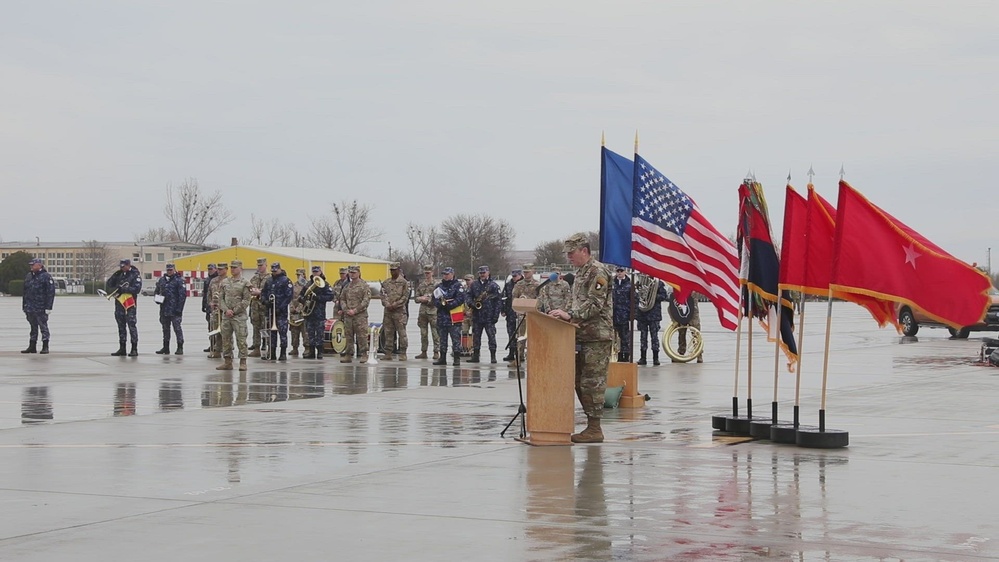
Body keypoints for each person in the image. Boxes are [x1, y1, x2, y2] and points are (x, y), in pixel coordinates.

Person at [548, 233, 613, 443]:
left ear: (584, 251)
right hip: (581, 334)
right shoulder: (581, 272)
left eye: (571, 253)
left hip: (597, 336)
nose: (568, 257)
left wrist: (571, 315)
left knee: (592, 383)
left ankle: (595, 428)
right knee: (578, 382)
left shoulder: (597, 271)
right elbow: (577, 303)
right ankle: (591, 424)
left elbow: (595, 303)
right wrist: (562, 313)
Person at [217, 260, 252, 371]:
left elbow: (246, 300)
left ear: (240, 269)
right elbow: (220, 299)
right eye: (231, 267)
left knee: (241, 339)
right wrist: (226, 310)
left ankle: (243, 361)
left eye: (235, 267)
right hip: (226, 316)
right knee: (226, 339)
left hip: (239, 316)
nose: (232, 269)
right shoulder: (225, 282)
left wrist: (234, 311)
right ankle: (227, 361)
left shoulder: (245, 283)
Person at [106, 258, 143, 357]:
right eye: (121, 266)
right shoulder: (119, 274)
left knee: (131, 326)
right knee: (121, 326)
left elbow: (137, 289)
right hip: (119, 304)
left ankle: (134, 348)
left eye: (124, 266)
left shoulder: (135, 275)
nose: (122, 268)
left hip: (130, 304)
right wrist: (115, 276)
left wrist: (124, 289)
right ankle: (122, 348)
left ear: (128, 265)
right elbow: (109, 284)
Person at [465, 264, 501, 363]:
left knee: (491, 336)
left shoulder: (493, 285)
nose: (482, 275)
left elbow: (498, 301)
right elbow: (468, 295)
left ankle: (493, 356)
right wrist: (471, 304)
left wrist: (496, 315)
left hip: (489, 316)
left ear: (488, 273)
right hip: (477, 315)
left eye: (484, 273)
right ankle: (475, 356)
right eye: (480, 273)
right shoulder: (474, 284)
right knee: (476, 337)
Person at [260, 262, 294, 361]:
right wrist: (265, 301)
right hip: (270, 311)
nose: (274, 272)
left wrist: (281, 307)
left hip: (281, 313)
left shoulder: (285, 280)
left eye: (276, 270)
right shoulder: (269, 280)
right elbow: (264, 292)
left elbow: (288, 296)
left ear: (279, 269)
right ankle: (272, 353)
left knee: (283, 333)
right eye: (273, 270)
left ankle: (283, 353)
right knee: (271, 334)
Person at [21, 258, 55, 354]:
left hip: (41, 307)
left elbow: (50, 293)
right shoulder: (29, 276)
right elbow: (25, 292)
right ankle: (32, 346)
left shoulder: (46, 277)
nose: (31, 266)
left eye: (33, 265)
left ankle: (45, 346)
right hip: (30, 307)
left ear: (40, 265)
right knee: (33, 327)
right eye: (31, 265)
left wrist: (49, 307)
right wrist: (24, 305)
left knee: (43, 327)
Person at [432, 266, 464, 366]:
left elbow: (461, 298)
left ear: (452, 274)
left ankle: (457, 358)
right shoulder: (439, 286)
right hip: (442, 317)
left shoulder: (458, 286)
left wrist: (450, 305)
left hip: (454, 317)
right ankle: (442, 358)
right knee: (442, 339)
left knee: (455, 339)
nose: (445, 276)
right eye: (444, 274)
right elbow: (434, 299)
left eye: (447, 274)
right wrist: (440, 304)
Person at [338, 264, 371, 363]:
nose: (352, 275)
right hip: (348, 315)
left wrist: (355, 310)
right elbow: (342, 298)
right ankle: (348, 354)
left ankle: (364, 354)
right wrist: (345, 309)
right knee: (349, 335)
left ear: (359, 273)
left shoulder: (364, 286)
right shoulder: (347, 286)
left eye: (354, 273)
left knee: (362, 336)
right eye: (350, 273)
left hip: (360, 316)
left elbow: (366, 301)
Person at [154, 263, 187, 355]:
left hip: (175, 309)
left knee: (177, 328)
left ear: (174, 270)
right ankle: (166, 347)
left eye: (171, 270)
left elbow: (182, 296)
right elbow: (157, 291)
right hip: (164, 309)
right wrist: (157, 300)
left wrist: (179, 309)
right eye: (168, 270)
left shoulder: (179, 280)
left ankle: (180, 346)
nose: (169, 271)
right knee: (165, 328)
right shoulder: (162, 280)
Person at [510, 264, 540, 364]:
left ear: (533, 271)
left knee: (534, 338)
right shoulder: (519, 285)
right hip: (522, 315)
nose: (526, 274)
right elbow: (514, 298)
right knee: (520, 337)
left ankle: (534, 358)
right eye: (525, 272)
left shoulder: (537, 285)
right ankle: (518, 358)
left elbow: (541, 299)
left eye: (528, 272)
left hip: (533, 315)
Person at [635, 274, 668, 366]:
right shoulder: (640, 283)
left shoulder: (658, 283)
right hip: (642, 314)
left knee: (654, 336)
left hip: (654, 314)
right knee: (643, 336)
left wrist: (652, 295)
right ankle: (643, 357)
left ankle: (655, 358)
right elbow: (636, 296)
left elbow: (664, 296)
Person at [380, 262, 410, 360]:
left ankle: (403, 352)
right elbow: (383, 295)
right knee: (388, 332)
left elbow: (405, 296)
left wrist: (396, 304)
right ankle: (388, 352)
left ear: (398, 270)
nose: (393, 272)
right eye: (391, 270)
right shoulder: (386, 282)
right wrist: (387, 304)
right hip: (388, 312)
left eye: (395, 270)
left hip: (399, 312)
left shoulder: (404, 282)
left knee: (402, 333)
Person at [302, 265, 334, 359]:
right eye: (314, 272)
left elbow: (330, 297)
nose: (315, 273)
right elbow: (301, 296)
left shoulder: (325, 284)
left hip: (319, 313)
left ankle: (320, 351)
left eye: (317, 272)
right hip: (309, 313)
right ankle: (311, 351)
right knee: (310, 333)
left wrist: (318, 298)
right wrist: (303, 300)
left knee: (320, 333)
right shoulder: (308, 284)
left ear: (320, 272)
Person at [667, 289, 704, 363]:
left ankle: (699, 355)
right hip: (681, 314)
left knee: (696, 335)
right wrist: (674, 319)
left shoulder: (694, 289)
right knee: (681, 334)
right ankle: (681, 353)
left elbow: (700, 295)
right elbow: (671, 307)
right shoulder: (676, 289)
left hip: (693, 314)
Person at [413, 264, 440, 360]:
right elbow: (416, 298)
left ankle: (436, 351)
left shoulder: (436, 285)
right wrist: (421, 298)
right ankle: (423, 351)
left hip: (433, 312)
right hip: (423, 312)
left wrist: (428, 300)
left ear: (432, 273)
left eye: (428, 273)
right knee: (423, 333)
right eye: (425, 273)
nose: (427, 275)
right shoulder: (421, 285)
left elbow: (439, 298)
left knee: (435, 333)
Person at [247, 258, 269, 357]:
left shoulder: (270, 278)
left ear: (266, 265)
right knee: (256, 328)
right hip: (255, 307)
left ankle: (268, 346)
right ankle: (256, 348)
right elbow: (249, 288)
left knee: (266, 328)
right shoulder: (254, 278)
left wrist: (260, 292)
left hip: (264, 307)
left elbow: (270, 291)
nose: (259, 267)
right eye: (258, 265)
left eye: (261, 265)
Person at [500, 267, 523, 361]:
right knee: (511, 333)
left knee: (521, 335)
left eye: (516, 276)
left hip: (521, 313)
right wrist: (503, 310)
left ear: (520, 275)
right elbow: (503, 298)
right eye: (513, 276)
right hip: (510, 313)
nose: (514, 278)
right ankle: (511, 353)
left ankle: (520, 354)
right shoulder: (508, 285)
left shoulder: (523, 284)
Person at [207, 262, 229, 358]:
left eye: (221, 269)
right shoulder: (213, 281)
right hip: (215, 310)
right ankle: (216, 350)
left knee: (226, 331)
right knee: (215, 330)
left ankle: (227, 351)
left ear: (226, 269)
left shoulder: (229, 281)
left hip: (225, 310)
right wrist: (210, 303)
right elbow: (208, 294)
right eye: (218, 269)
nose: (219, 271)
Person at [612, 267, 632, 362]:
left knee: (625, 337)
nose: (619, 273)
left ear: (625, 272)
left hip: (624, 315)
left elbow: (634, 300)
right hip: (613, 315)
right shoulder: (612, 284)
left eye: (621, 271)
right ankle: (617, 355)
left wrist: (632, 314)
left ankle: (626, 355)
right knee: (614, 337)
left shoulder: (629, 285)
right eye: (618, 271)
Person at [289, 268, 308, 357]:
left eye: (300, 275)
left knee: (305, 331)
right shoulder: (293, 285)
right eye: (297, 275)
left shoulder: (307, 285)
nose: (298, 277)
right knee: (294, 331)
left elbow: (307, 299)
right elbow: (290, 298)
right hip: (293, 312)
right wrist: (292, 307)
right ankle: (294, 348)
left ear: (304, 275)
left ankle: (307, 348)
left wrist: (299, 308)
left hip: (304, 311)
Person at [201, 264, 218, 353]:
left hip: (217, 306)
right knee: (210, 327)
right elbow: (205, 294)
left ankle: (219, 345)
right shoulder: (207, 280)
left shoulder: (219, 279)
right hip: (209, 307)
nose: (210, 270)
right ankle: (212, 344)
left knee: (219, 327)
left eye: (211, 269)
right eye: (208, 269)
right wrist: (203, 305)